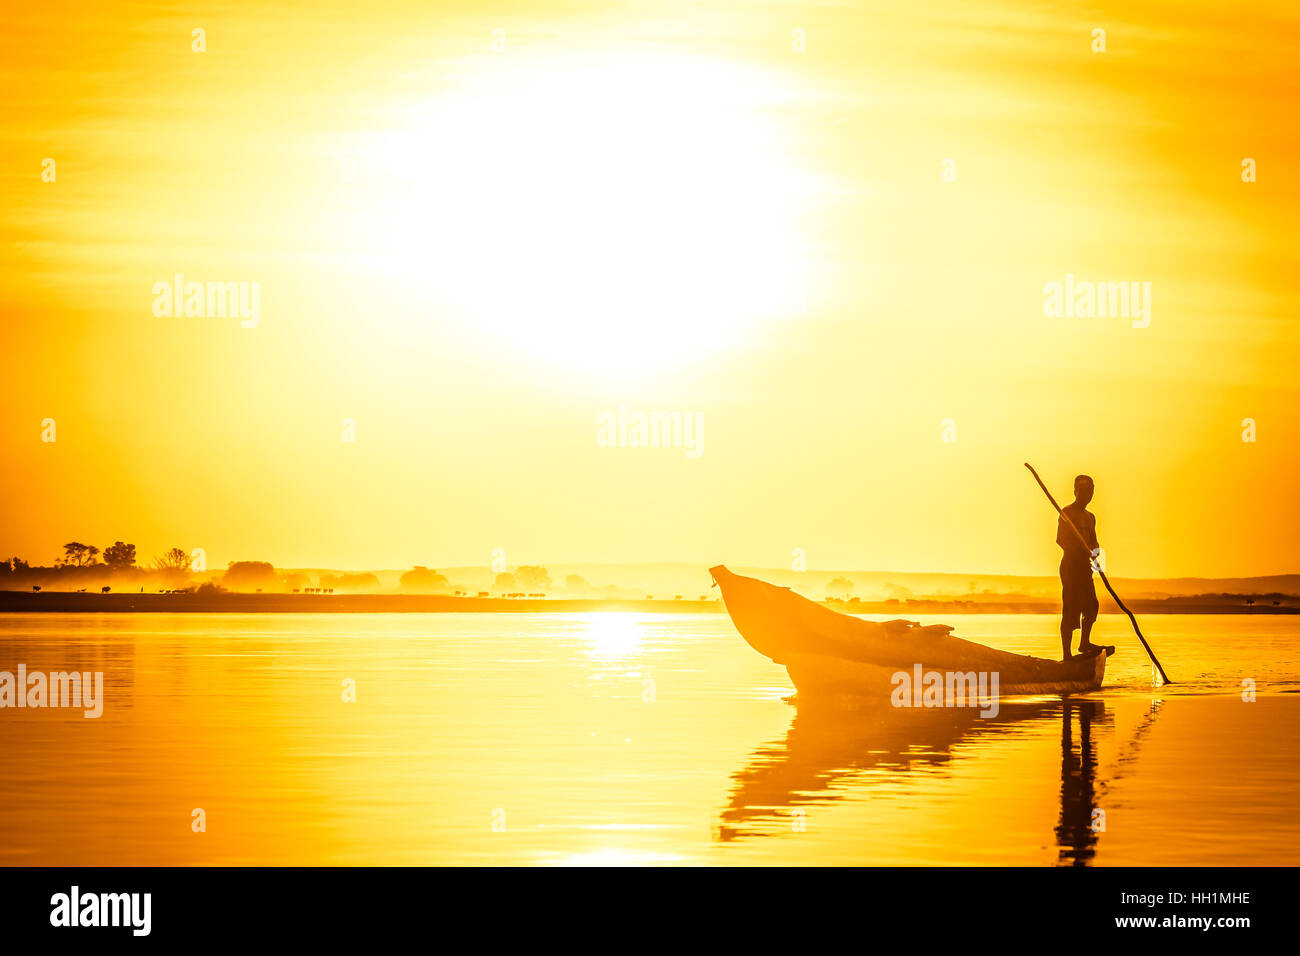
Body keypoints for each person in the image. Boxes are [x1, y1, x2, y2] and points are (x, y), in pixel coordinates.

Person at [1058, 474, 1101, 660]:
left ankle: (1084, 643)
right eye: (1082, 491)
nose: (1086, 495)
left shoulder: (1090, 517)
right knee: (1070, 610)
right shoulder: (1067, 512)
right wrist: (1078, 550)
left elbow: (1095, 544)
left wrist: (1095, 554)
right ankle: (1067, 655)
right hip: (1070, 568)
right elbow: (1060, 540)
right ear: (1076, 492)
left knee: (1092, 607)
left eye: (1089, 491)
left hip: (1085, 569)